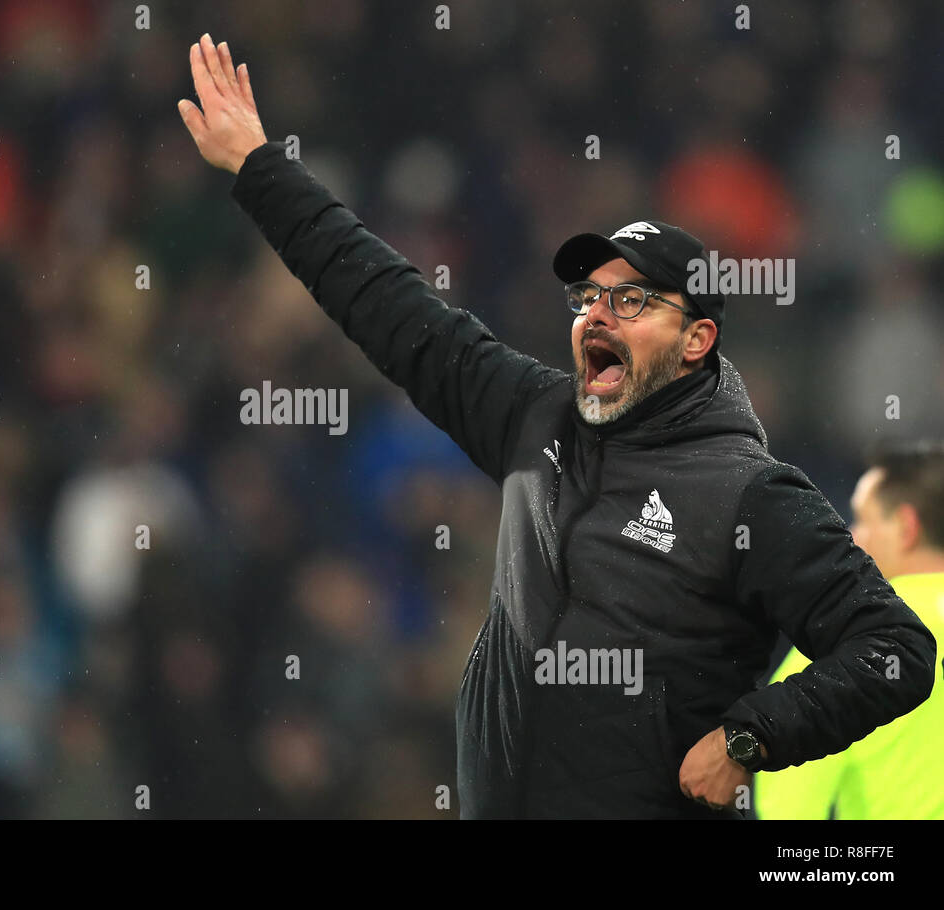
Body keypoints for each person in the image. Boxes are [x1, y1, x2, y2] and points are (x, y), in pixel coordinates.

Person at [177, 33, 936, 818]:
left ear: (697, 341)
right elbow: (391, 306)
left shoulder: (750, 497)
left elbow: (896, 649)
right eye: (587, 298)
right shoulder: (535, 414)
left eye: (630, 300)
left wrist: (751, 740)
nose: (595, 316)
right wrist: (260, 167)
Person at [756, 441, 944, 819]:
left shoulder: (858, 632)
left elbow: (787, 800)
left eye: (863, 519)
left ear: (906, 527)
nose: (853, 537)